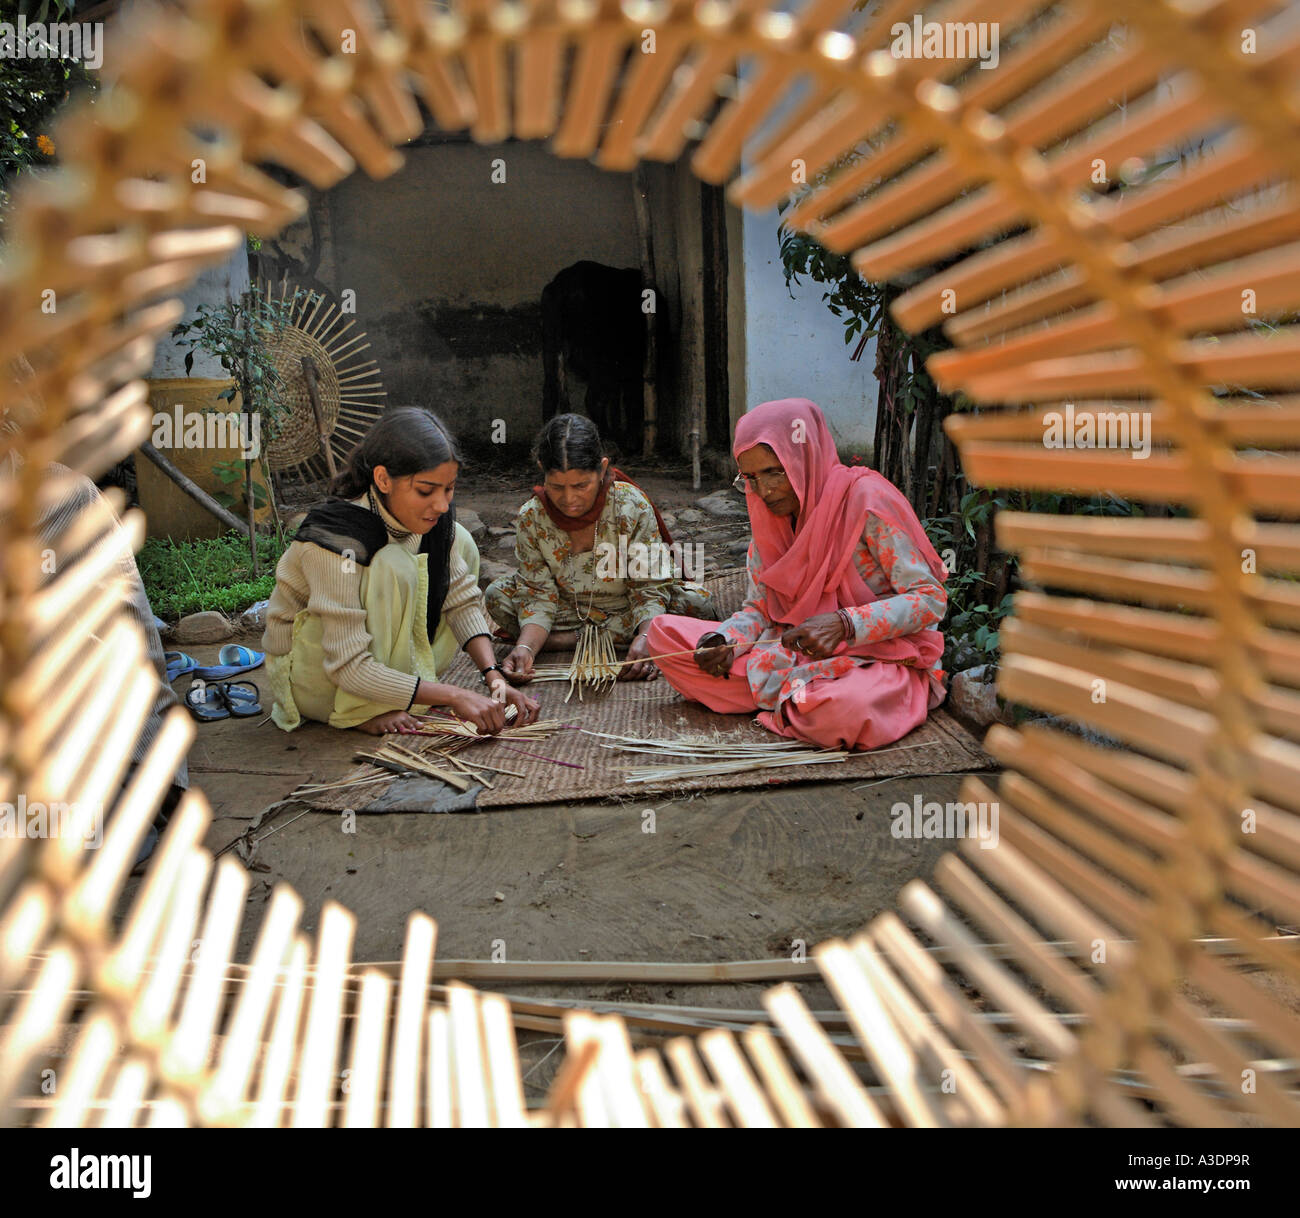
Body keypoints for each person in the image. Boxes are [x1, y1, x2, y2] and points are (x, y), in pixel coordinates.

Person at [646, 398, 948, 751]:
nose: (764, 490)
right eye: (751, 477)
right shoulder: (768, 518)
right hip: (792, 653)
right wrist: (726, 640)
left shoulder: (866, 500)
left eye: (775, 471)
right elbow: (759, 609)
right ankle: (796, 701)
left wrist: (845, 623)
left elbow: (929, 599)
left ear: (804, 456)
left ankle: (800, 701)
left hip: (875, 658)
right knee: (664, 637)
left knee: (843, 709)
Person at [264, 407, 539, 735]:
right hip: (319, 681)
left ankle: (404, 688)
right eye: (425, 491)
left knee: (459, 538)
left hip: (370, 670)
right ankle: (362, 711)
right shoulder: (337, 538)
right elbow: (348, 667)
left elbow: (461, 601)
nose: (440, 503)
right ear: (382, 479)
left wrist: (494, 678)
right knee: (394, 565)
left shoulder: (434, 519)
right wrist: (455, 695)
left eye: (448, 489)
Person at [485, 413, 712, 683]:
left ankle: (563, 641)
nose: (569, 499)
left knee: (697, 605)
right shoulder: (532, 517)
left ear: (602, 469)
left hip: (627, 607)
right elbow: (538, 596)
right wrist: (525, 648)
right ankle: (577, 638)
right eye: (557, 487)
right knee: (497, 596)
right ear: (541, 469)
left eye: (582, 485)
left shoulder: (630, 506)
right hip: (567, 609)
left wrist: (646, 636)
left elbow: (648, 587)